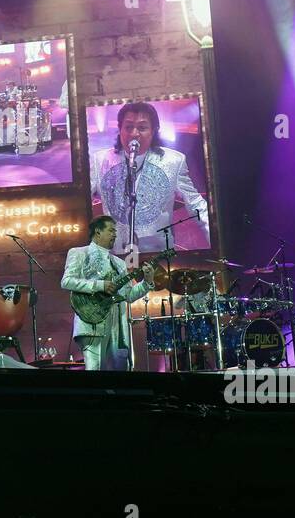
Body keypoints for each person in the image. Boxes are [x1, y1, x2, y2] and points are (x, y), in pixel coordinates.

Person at [89, 101, 210, 253]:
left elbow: (197, 206)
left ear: (154, 131)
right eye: (128, 127)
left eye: (142, 128)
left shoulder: (173, 161)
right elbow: (79, 203)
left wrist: (218, 241)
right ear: (120, 129)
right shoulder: (100, 160)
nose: (134, 133)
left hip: (158, 256)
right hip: (114, 254)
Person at [61, 215, 155, 371]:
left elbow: (129, 295)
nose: (115, 234)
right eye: (111, 230)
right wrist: (100, 285)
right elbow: (67, 281)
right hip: (91, 319)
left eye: (115, 231)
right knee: (95, 370)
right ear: (98, 231)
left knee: (120, 372)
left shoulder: (119, 263)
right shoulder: (79, 253)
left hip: (117, 324)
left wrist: (147, 282)